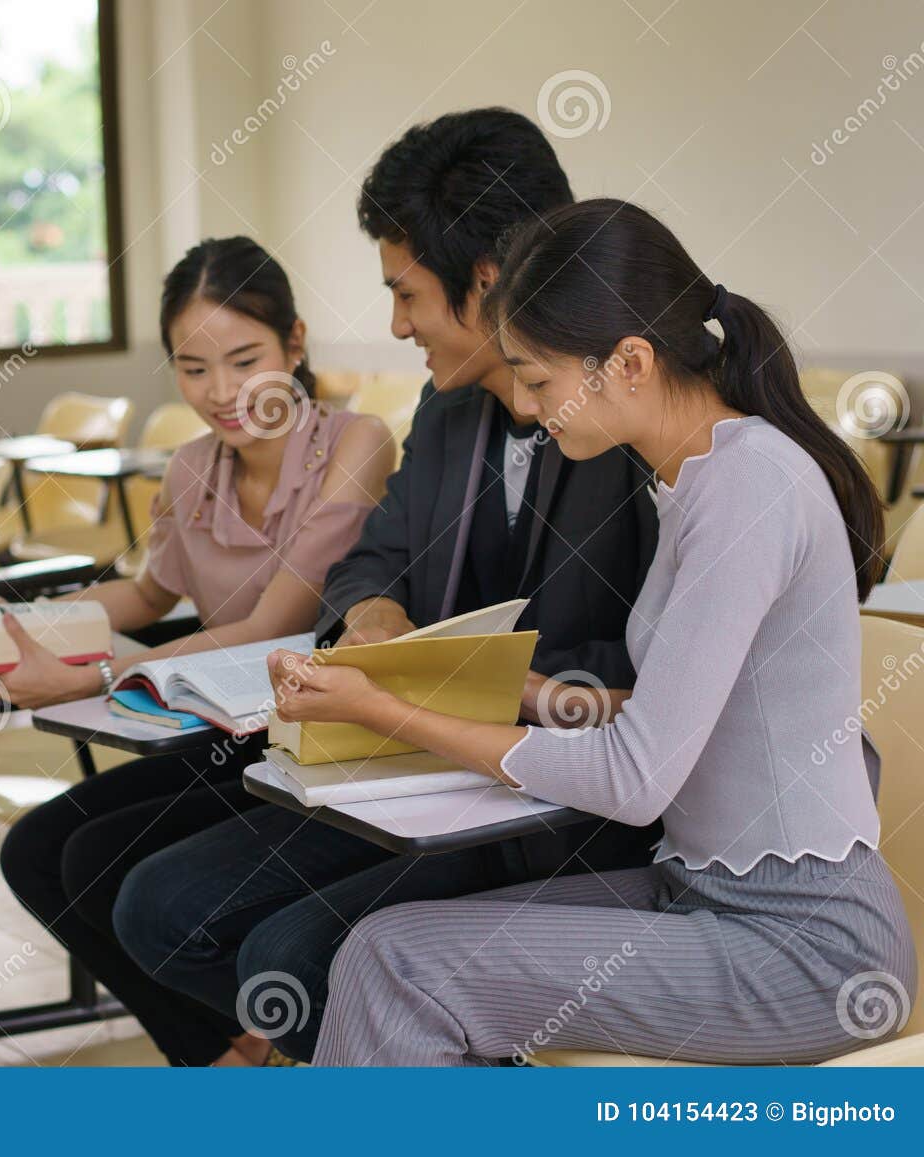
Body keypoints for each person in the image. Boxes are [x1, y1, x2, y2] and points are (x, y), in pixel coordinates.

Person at [291, 197, 915, 1066]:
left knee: (398, 964)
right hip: (705, 894)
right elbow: (674, 713)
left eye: (538, 380)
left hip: (807, 949)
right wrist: (505, 683)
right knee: (383, 949)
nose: (526, 405)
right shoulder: (696, 479)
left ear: (629, 361)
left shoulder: (748, 487)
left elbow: (635, 778)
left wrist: (387, 711)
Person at [112, 108, 659, 1064]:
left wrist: (468, 685)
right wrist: (376, 616)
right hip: (430, 774)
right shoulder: (449, 407)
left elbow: (664, 671)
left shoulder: (637, 425)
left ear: (486, 280)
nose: (396, 323)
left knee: (284, 955)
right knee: (159, 906)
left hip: (567, 808)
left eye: (406, 293)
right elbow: (373, 557)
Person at [0, 235, 396, 1067]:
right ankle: (222, 1056)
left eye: (246, 359)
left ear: (295, 343)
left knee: (98, 862)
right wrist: (28, 622)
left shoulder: (355, 447)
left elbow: (273, 627)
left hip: (309, 742)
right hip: (218, 732)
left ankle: (233, 1054)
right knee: (35, 852)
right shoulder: (189, 468)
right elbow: (147, 595)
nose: (223, 393)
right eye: (194, 368)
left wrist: (98, 669)